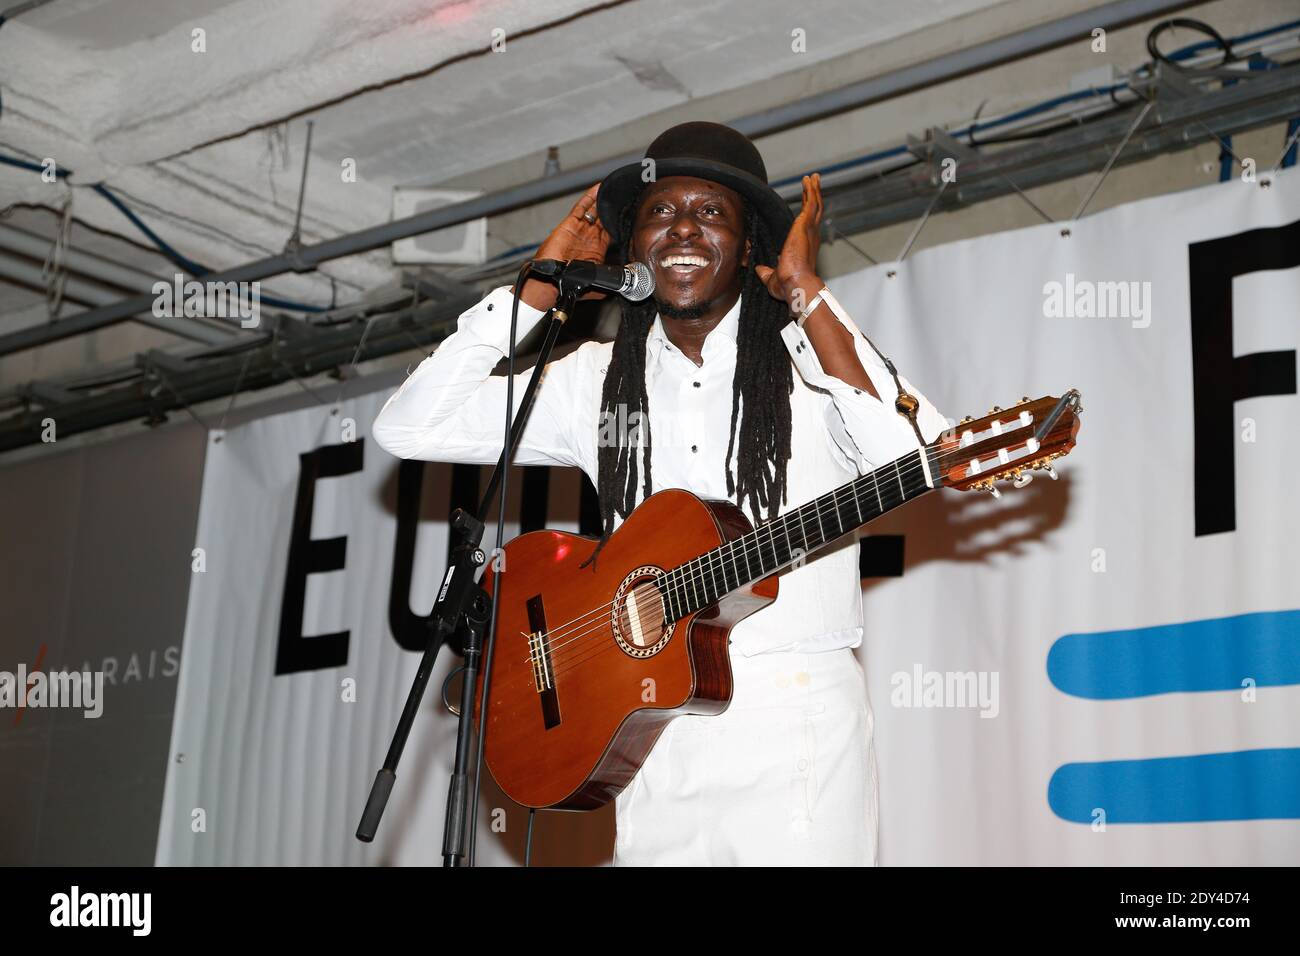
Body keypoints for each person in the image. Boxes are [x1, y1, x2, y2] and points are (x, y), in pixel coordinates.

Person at [372, 121, 946, 865]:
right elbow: (410, 427)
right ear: (630, 246)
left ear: (748, 247)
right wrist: (539, 287)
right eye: (659, 212)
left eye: (711, 212)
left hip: (795, 719)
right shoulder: (594, 378)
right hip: (649, 726)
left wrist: (808, 295)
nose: (682, 227)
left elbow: (916, 457)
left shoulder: (809, 359)